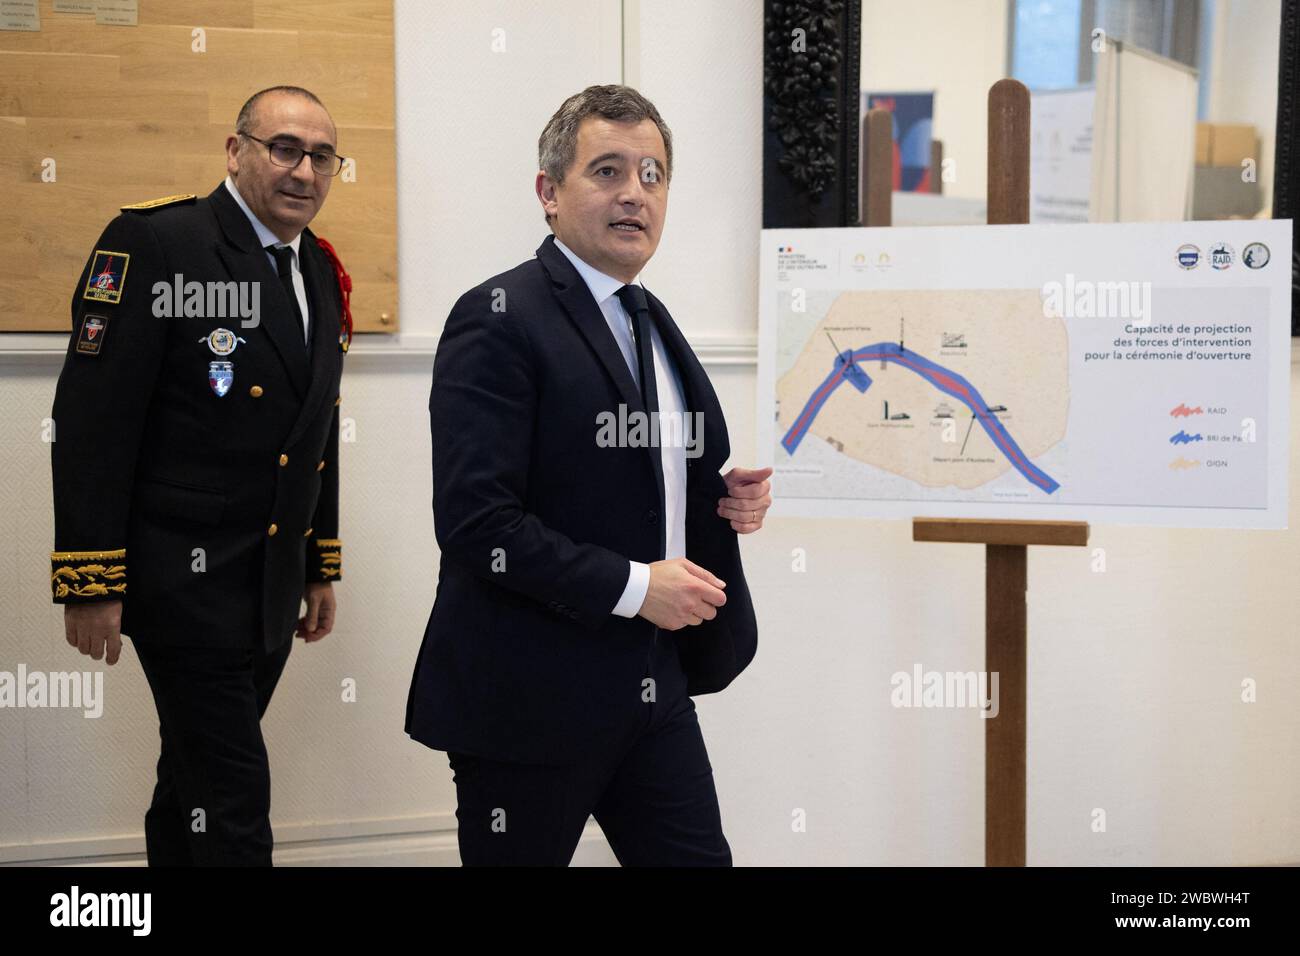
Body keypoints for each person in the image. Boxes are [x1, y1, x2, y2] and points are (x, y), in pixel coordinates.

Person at [405, 84, 773, 866]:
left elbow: (640, 481)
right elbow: (478, 523)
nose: (634, 193)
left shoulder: (651, 317)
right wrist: (641, 588)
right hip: (528, 698)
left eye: (653, 173)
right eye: (607, 171)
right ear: (549, 192)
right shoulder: (497, 316)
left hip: (653, 688)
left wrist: (720, 498)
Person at [49, 85, 351, 866]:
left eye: (322, 156)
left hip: (269, 587)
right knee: (233, 801)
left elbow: (316, 428)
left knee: (192, 788)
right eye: (284, 148)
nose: (305, 172)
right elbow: (92, 421)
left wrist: (319, 560)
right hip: (180, 584)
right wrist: (90, 578)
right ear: (235, 151)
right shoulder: (157, 243)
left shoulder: (315, 264)